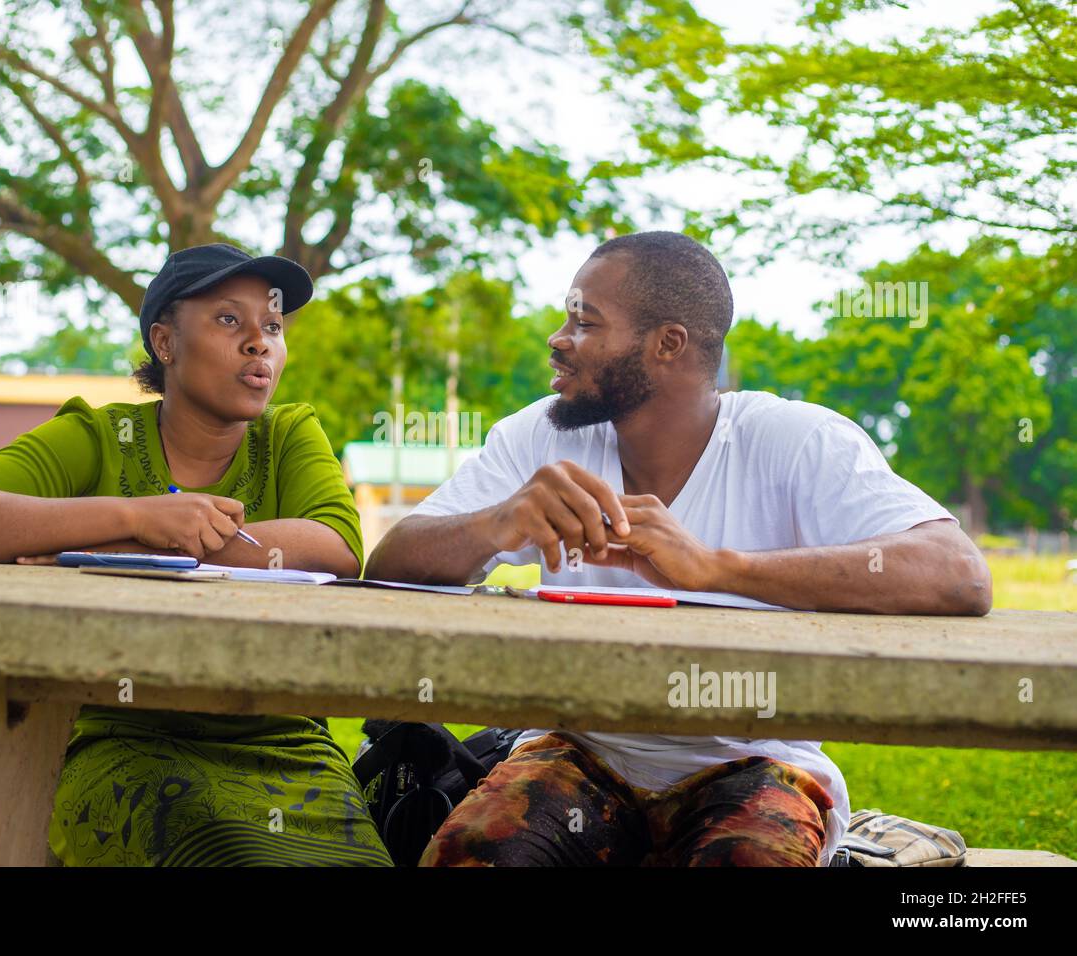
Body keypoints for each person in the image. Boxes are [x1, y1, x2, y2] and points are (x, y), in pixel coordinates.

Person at [365, 231, 992, 867]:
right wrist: (496, 523)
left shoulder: (794, 441)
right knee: (473, 856)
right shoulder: (538, 435)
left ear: (668, 344)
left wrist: (720, 568)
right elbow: (391, 563)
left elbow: (958, 574)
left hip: (755, 765)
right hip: (577, 753)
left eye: (584, 321)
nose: (557, 338)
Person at [0, 243, 392, 867]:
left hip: (285, 744)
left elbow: (337, 549)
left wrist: (111, 548)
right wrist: (136, 513)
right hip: (121, 739)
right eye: (229, 320)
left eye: (272, 327)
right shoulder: (101, 438)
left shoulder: (289, 435)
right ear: (165, 342)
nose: (259, 344)